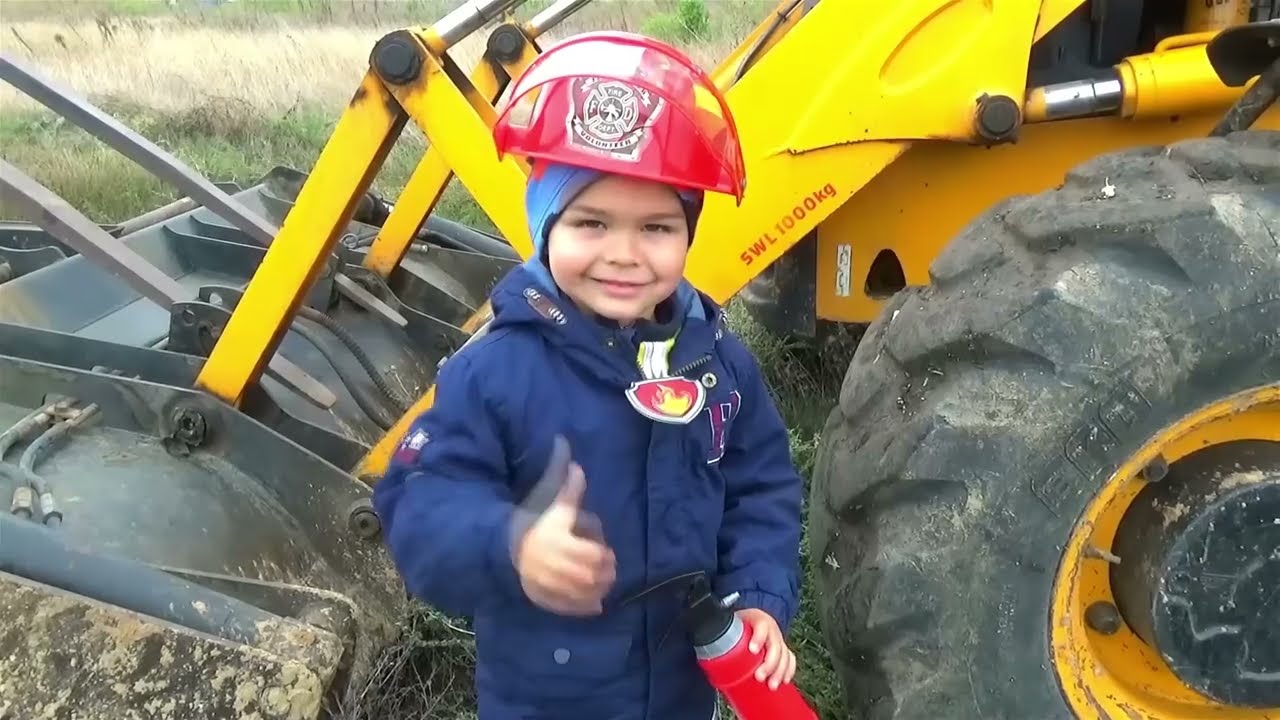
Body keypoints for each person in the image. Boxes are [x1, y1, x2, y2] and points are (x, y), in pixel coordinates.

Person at [371, 30, 805, 720]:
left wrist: (758, 597)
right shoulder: (496, 370)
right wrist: (509, 543)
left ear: (689, 233)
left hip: (680, 692)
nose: (625, 254)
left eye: (658, 227)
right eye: (591, 223)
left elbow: (761, 489)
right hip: (546, 696)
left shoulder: (717, 362)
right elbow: (419, 499)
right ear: (547, 228)